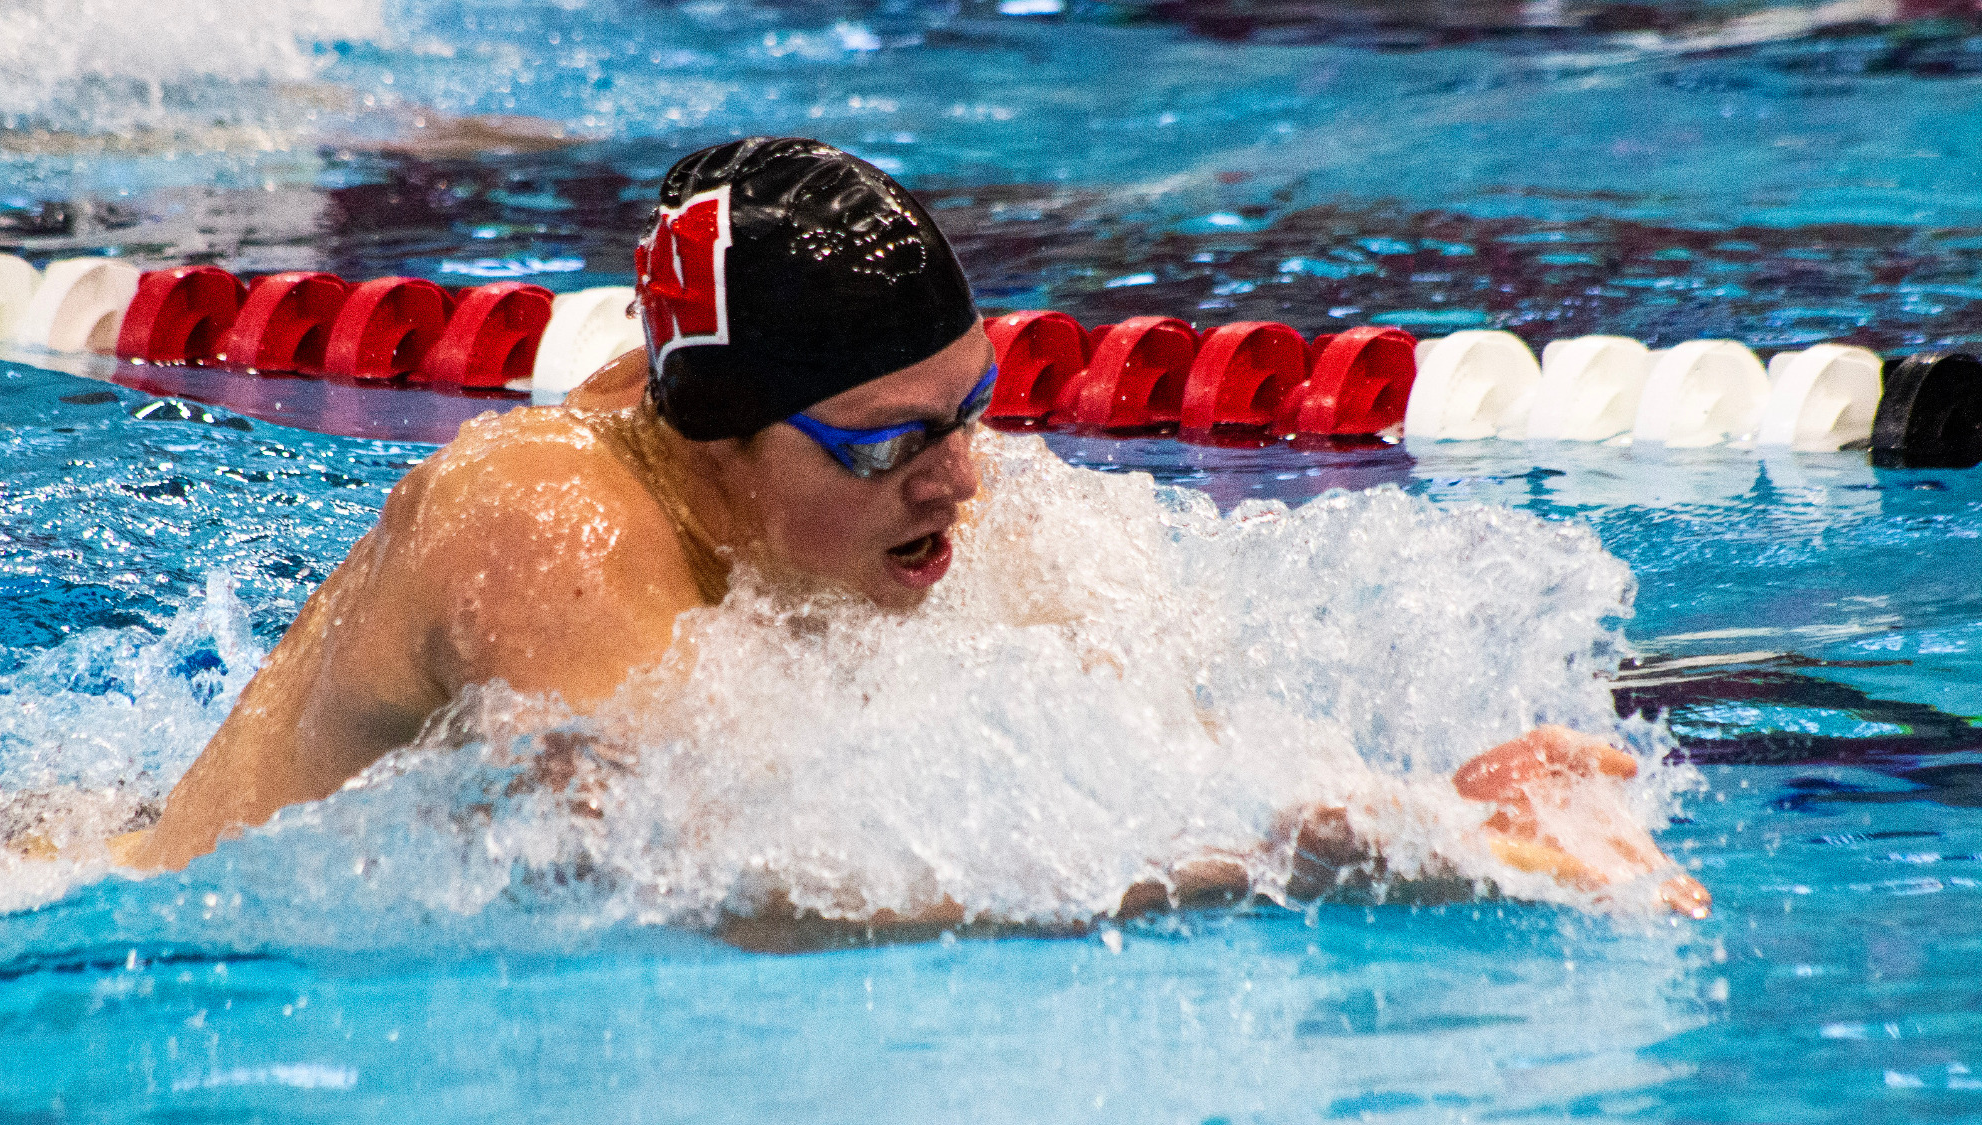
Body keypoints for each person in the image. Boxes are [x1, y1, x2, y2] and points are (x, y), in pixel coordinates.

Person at [111, 137, 1710, 923]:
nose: (961, 481)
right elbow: (761, 893)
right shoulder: (547, 534)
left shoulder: (856, 488)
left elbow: (1118, 724)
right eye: (888, 444)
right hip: (160, 942)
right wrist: (1312, 863)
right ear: (715, 443)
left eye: (974, 409)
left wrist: (1416, 797)